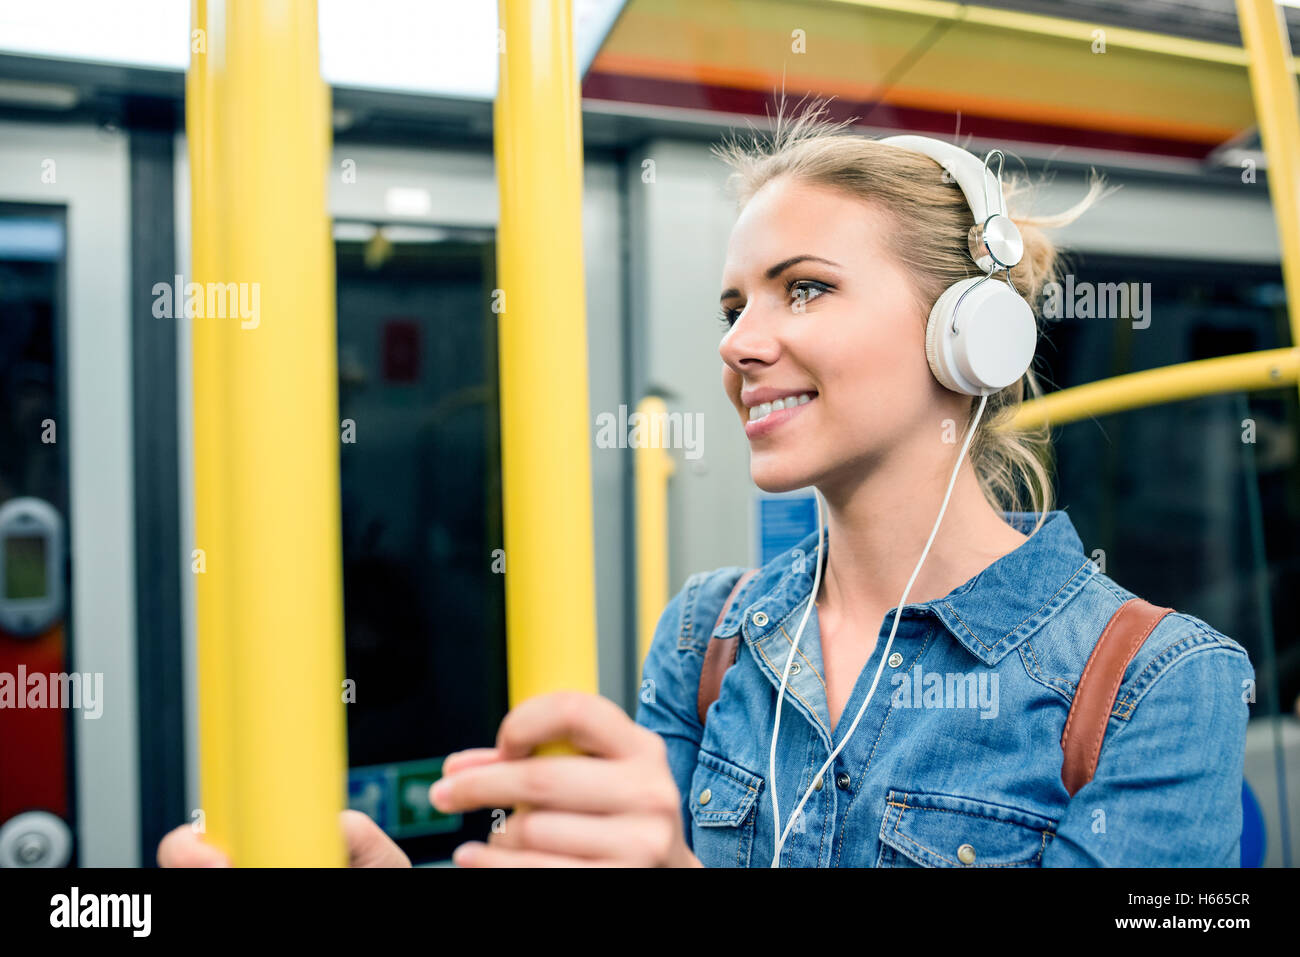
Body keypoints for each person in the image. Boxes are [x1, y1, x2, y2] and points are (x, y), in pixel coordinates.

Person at [161, 99, 1254, 868]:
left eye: (805, 290)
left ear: (972, 337)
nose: (739, 344)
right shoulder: (709, 635)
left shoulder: (1157, 687)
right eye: (732, 307)